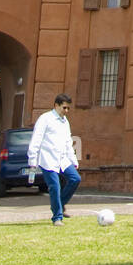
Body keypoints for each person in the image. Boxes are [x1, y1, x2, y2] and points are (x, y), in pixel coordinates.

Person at [27, 93, 80, 226]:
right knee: (54, 186)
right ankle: (57, 217)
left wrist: (73, 159)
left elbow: (68, 142)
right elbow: (36, 139)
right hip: (48, 159)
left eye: (68, 108)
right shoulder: (45, 119)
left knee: (75, 179)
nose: (66, 111)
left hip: (62, 159)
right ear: (56, 105)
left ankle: (59, 205)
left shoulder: (65, 121)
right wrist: (32, 160)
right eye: (64, 108)